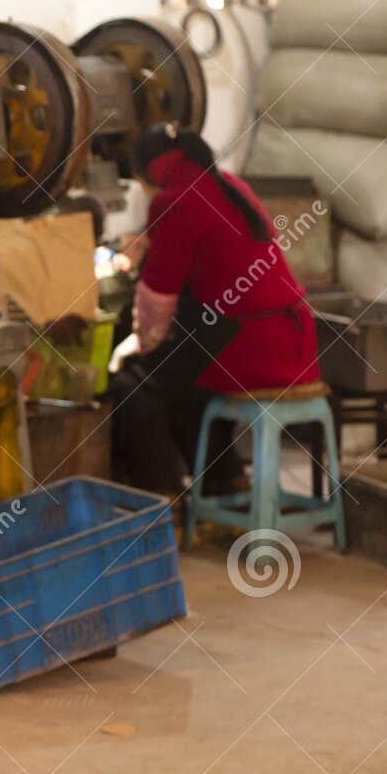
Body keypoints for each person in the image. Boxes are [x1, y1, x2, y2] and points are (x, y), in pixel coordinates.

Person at [109, 124, 319, 498]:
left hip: (249, 349)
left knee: (134, 387)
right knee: (182, 379)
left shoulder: (173, 200)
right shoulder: (230, 186)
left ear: (149, 173)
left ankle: (162, 503)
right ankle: (225, 484)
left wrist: (139, 346)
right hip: (292, 341)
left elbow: (157, 300)